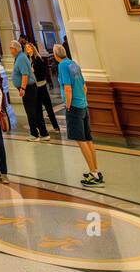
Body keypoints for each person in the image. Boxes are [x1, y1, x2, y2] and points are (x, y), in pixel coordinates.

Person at [54, 44, 103, 185]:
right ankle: (95, 170)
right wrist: (82, 99)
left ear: (56, 55)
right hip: (83, 104)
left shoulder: (62, 66)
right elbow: (84, 86)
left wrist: (68, 105)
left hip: (74, 106)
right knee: (88, 139)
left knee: (81, 141)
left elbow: (67, 88)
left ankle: (93, 175)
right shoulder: (74, 64)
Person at [11, 40, 46, 140]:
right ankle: (43, 133)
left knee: (31, 112)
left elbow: (25, 74)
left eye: (11, 48)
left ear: (15, 49)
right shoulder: (20, 57)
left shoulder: (21, 58)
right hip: (29, 88)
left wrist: (22, 88)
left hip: (28, 88)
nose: (10, 50)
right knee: (35, 111)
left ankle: (34, 134)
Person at [26, 42, 60, 134]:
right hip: (35, 87)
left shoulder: (38, 59)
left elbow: (43, 73)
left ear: (33, 48)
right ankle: (42, 128)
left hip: (42, 86)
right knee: (38, 109)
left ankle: (56, 126)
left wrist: (34, 71)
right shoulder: (27, 60)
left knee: (48, 107)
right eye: (26, 48)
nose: (28, 49)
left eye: (29, 47)